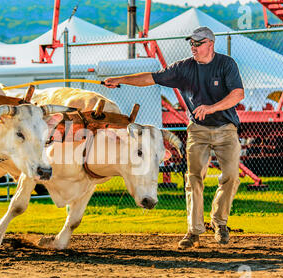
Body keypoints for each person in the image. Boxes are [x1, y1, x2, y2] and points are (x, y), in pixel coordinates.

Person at [103, 26, 244, 249]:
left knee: (231, 176)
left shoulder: (226, 64)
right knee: (194, 178)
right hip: (197, 129)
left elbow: (237, 94)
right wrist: (120, 79)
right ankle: (194, 231)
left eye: (198, 43)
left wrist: (211, 107)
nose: (193, 47)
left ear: (210, 44)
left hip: (226, 129)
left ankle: (219, 222)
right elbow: (152, 77)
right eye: (192, 43)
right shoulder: (184, 68)